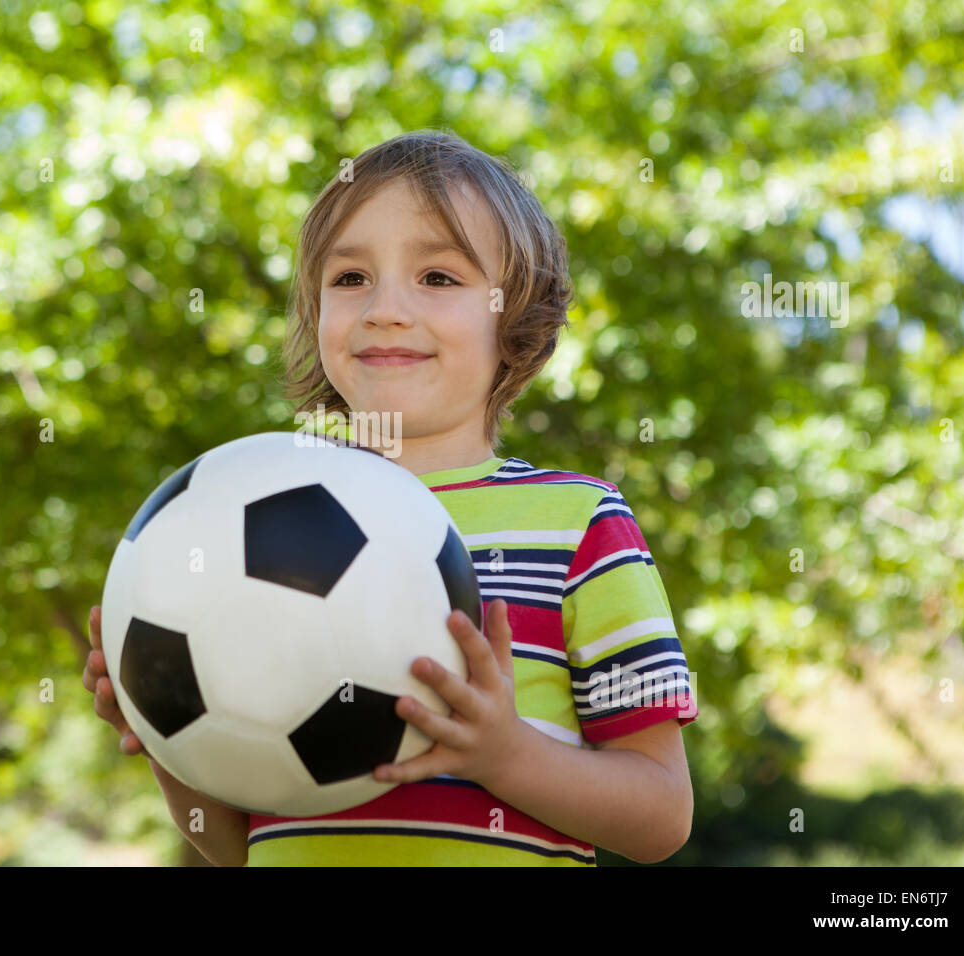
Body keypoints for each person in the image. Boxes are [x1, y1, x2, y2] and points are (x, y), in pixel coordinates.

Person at [83, 129, 698, 866]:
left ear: (518, 320)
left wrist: (506, 755)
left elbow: (662, 815)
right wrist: (168, 735)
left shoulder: (579, 524)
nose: (385, 308)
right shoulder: (234, 518)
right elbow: (238, 849)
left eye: (438, 277)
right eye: (350, 279)